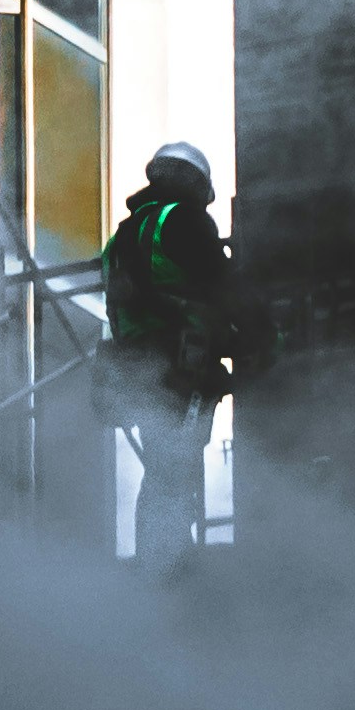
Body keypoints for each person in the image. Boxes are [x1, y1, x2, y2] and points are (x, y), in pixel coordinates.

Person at [100, 138, 237, 568]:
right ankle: (169, 563)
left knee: (161, 464)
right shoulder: (184, 221)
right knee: (177, 465)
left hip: (138, 368)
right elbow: (222, 286)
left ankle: (158, 555)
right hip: (180, 364)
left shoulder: (123, 235)